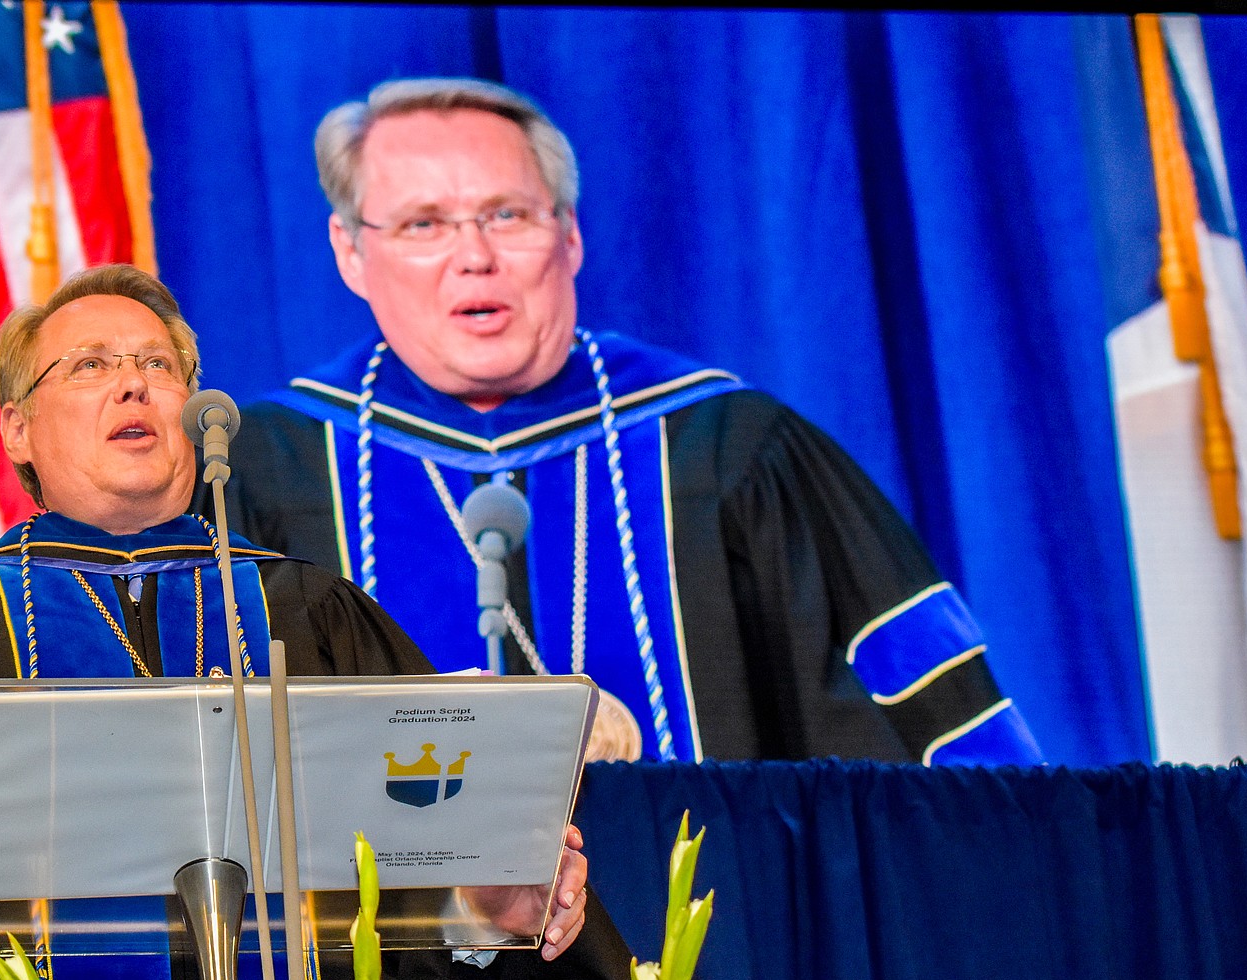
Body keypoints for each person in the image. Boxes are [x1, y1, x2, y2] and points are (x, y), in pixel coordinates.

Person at [0, 265, 630, 980]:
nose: (133, 382)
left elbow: (428, 887)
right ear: (15, 430)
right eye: (88, 366)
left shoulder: (312, 617)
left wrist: (484, 913)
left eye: (160, 367)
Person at [205, 78, 1044, 767]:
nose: (474, 255)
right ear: (351, 253)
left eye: (507, 214)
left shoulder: (731, 449)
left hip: (715, 948)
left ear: (568, 237)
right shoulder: (270, 474)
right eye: (423, 224)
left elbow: (927, 741)